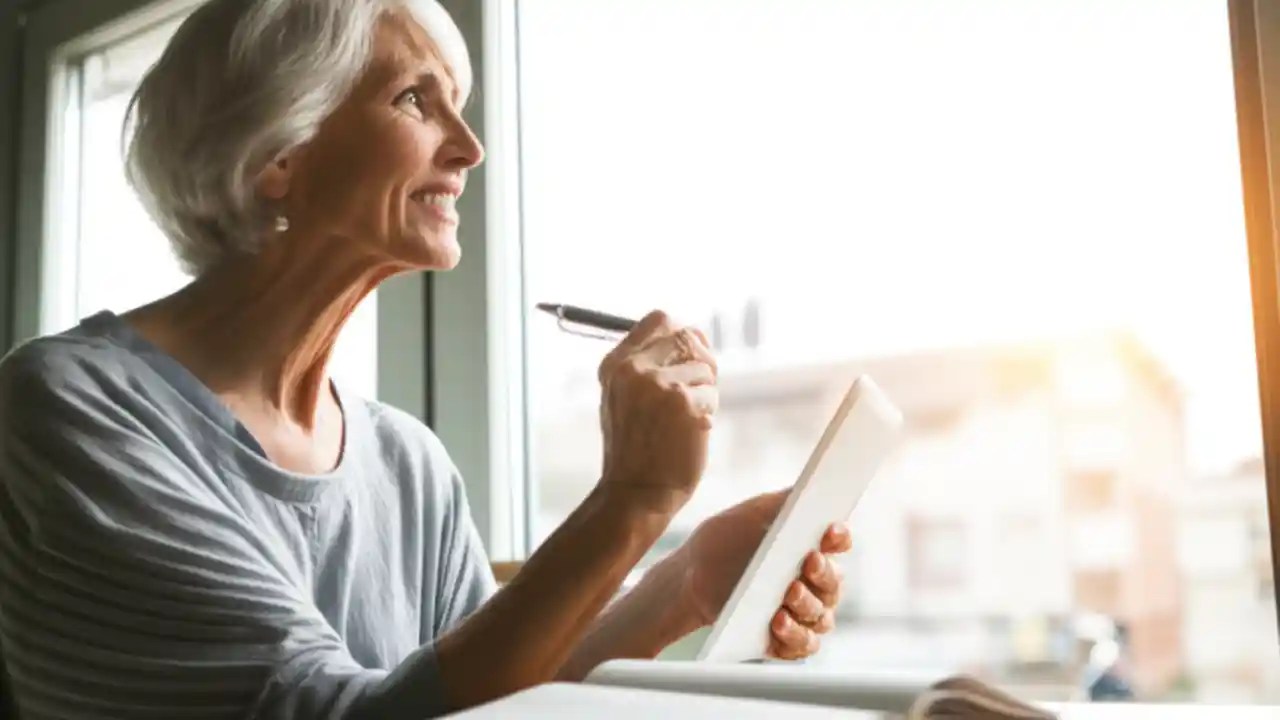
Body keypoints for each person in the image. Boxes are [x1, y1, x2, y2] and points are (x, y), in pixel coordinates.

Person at [0, 1, 854, 717]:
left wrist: (686, 583)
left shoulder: (409, 466)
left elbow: (487, 701)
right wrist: (629, 501)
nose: (469, 148)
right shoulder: (69, 408)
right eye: (416, 100)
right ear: (279, 154)